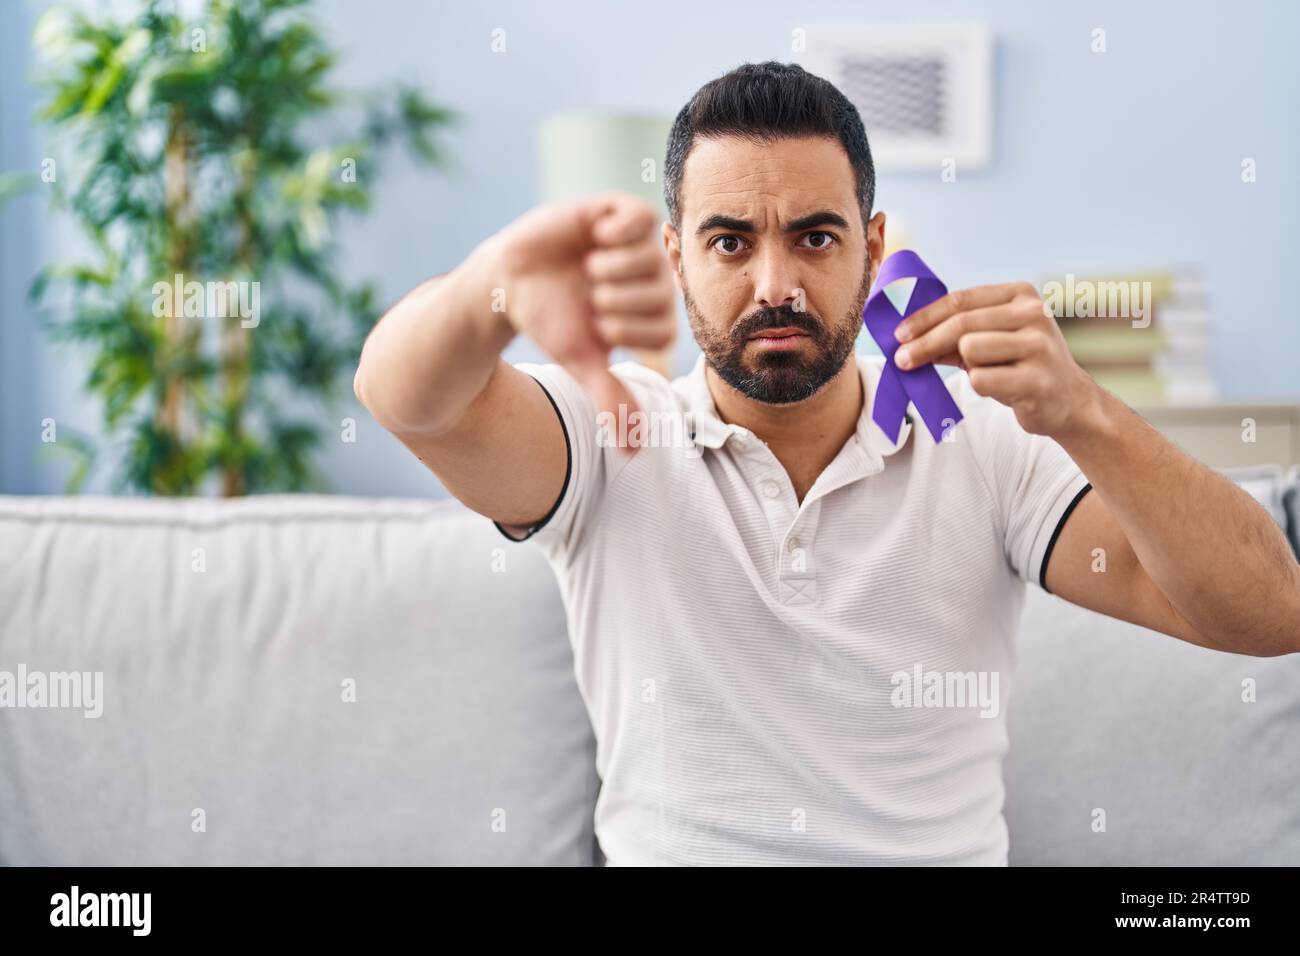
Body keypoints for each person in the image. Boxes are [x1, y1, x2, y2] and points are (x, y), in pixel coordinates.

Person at [353, 61, 1300, 865]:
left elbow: (1269, 613)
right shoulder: (611, 437)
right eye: (731, 241)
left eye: (815, 236)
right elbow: (402, 396)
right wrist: (496, 281)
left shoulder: (986, 438)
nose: (777, 285)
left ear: (875, 248)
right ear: (677, 258)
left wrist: (1088, 413)